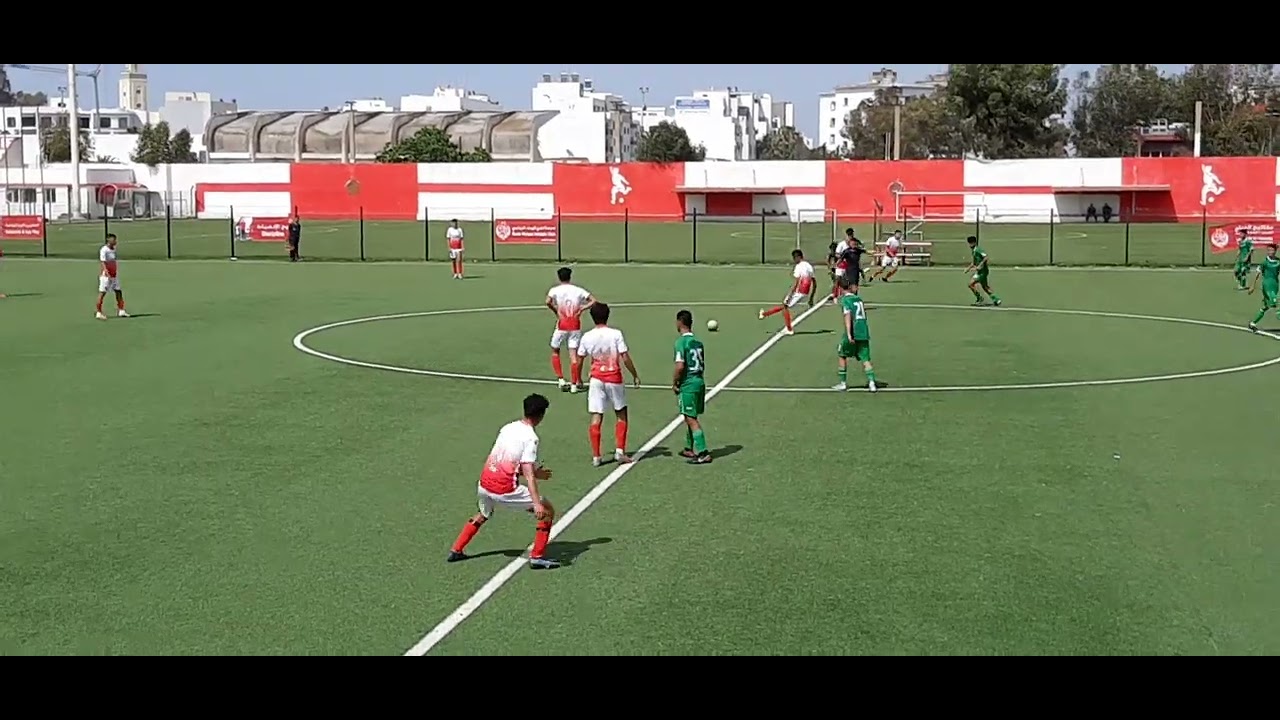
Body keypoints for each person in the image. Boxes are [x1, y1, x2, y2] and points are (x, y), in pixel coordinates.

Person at [448, 393, 561, 570]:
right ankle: (537, 557)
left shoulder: (508, 427)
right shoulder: (531, 438)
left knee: (483, 513)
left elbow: (508, 461)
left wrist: (538, 473)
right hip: (504, 489)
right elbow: (528, 474)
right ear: (541, 415)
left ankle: (456, 549)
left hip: (484, 483)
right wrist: (537, 503)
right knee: (547, 511)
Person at [577, 303, 641, 466]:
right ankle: (620, 451)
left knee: (596, 415)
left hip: (596, 379)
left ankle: (596, 456)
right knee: (621, 413)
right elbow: (624, 357)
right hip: (614, 378)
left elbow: (579, 359)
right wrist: (634, 374)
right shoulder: (615, 334)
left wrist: (577, 378)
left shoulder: (587, 336)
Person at [546, 267, 596, 393]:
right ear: (570, 276)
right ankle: (574, 384)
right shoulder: (578, 290)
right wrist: (582, 308)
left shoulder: (555, 290)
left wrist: (556, 311)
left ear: (559, 277)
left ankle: (561, 379)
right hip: (575, 325)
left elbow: (548, 302)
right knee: (573, 355)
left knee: (555, 350)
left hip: (562, 324)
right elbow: (593, 301)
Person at [673, 310, 712, 464]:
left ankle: (703, 452)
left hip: (688, 384)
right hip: (699, 381)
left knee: (691, 419)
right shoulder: (698, 342)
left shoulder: (680, 343)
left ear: (679, 322)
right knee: (691, 416)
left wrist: (675, 382)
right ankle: (688, 448)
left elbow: (680, 366)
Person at [834, 275, 878, 393]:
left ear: (840, 288)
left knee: (842, 355)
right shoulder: (858, 299)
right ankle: (872, 383)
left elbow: (848, 316)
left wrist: (849, 334)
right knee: (865, 359)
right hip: (863, 331)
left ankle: (843, 383)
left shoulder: (845, 300)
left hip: (854, 331)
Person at [759, 248, 816, 335]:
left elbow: (797, 282)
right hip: (805, 292)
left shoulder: (798, 267)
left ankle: (789, 329)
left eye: (794, 258)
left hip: (799, 291)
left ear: (798, 257)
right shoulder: (809, 266)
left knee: (785, 306)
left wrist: (790, 294)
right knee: (784, 306)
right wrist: (811, 297)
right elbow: (814, 282)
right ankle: (764, 314)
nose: (794, 260)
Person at [95, 233, 129, 320]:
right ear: (108, 240)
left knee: (118, 291)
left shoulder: (113, 249)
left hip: (114, 275)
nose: (115, 241)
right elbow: (103, 262)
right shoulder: (104, 250)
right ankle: (99, 312)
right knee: (102, 293)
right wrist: (106, 272)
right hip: (106, 276)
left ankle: (121, 310)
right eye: (113, 240)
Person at [1248, 244, 1280, 333]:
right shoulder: (1264, 262)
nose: (1270, 252)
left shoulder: (1278, 261)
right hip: (1267, 285)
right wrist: (1252, 285)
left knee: (1265, 306)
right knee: (1276, 303)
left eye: (1272, 250)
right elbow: (1258, 273)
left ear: (1275, 251)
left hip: (1275, 285)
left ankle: (1252, 323)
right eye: (1269, 250)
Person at [964, 235, 1002, 307]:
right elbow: (974, 263)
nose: (969, 245)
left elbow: (986, 257)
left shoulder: (978, 250)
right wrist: (968, 268)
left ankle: (980, 299)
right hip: (980, 272)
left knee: (971, 284)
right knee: (985, 287)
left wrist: (980, 265)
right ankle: (996, 299)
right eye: (969, 243)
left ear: (974, 243)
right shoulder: (974, 251)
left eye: (971, 243)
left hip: (983, 272)